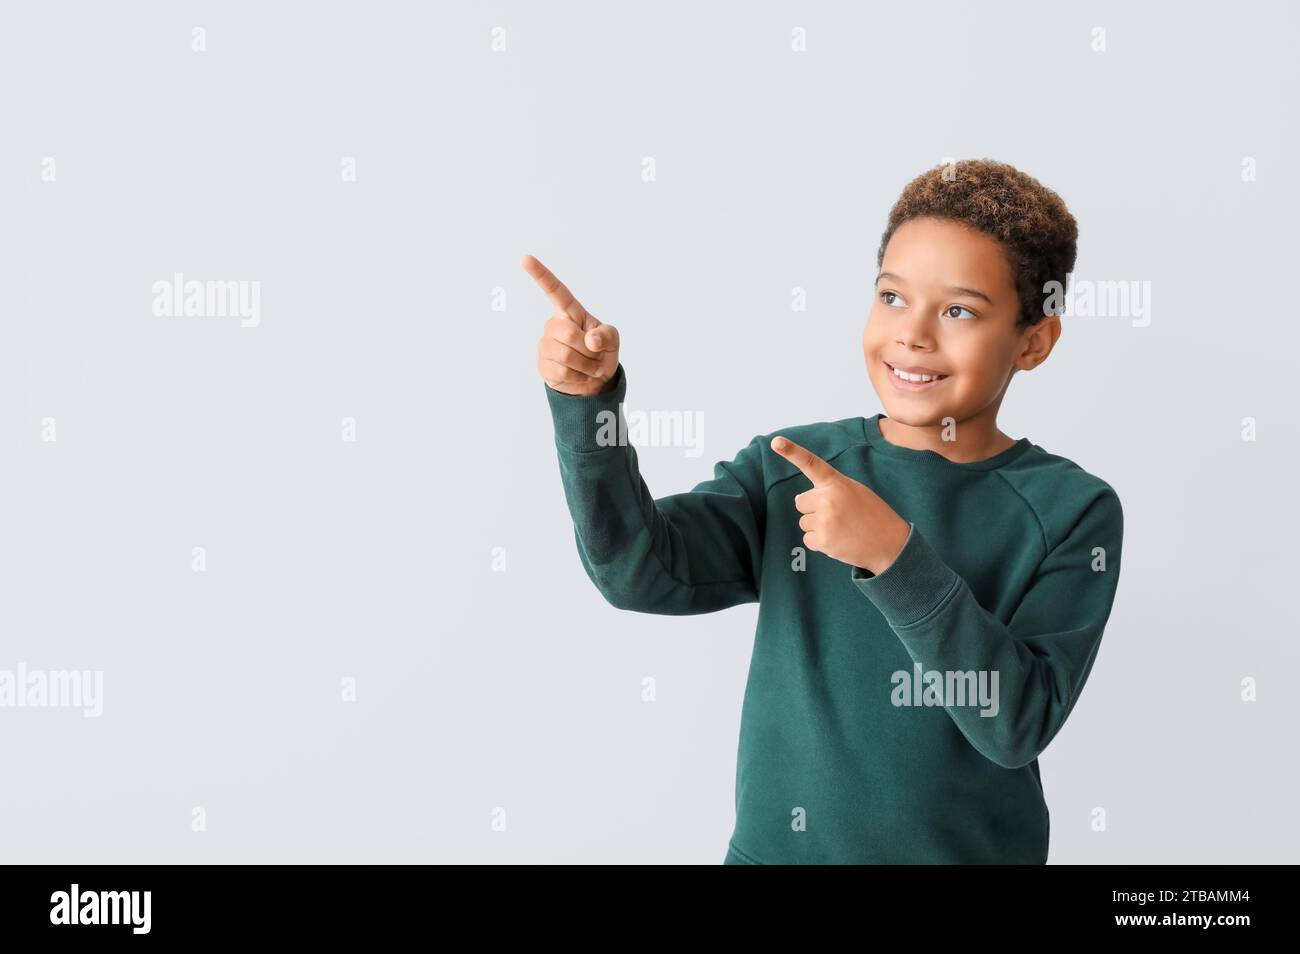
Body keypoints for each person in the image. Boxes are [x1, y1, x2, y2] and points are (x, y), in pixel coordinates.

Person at [526, 157, 1124, 864]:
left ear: (1034, 341)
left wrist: (896, 558)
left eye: (959, 310)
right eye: (893, 297)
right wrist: (587, 405)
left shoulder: (1072, 510)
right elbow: (633, 571)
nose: (914, 334)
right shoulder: (791, 468)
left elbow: (1015, 725)